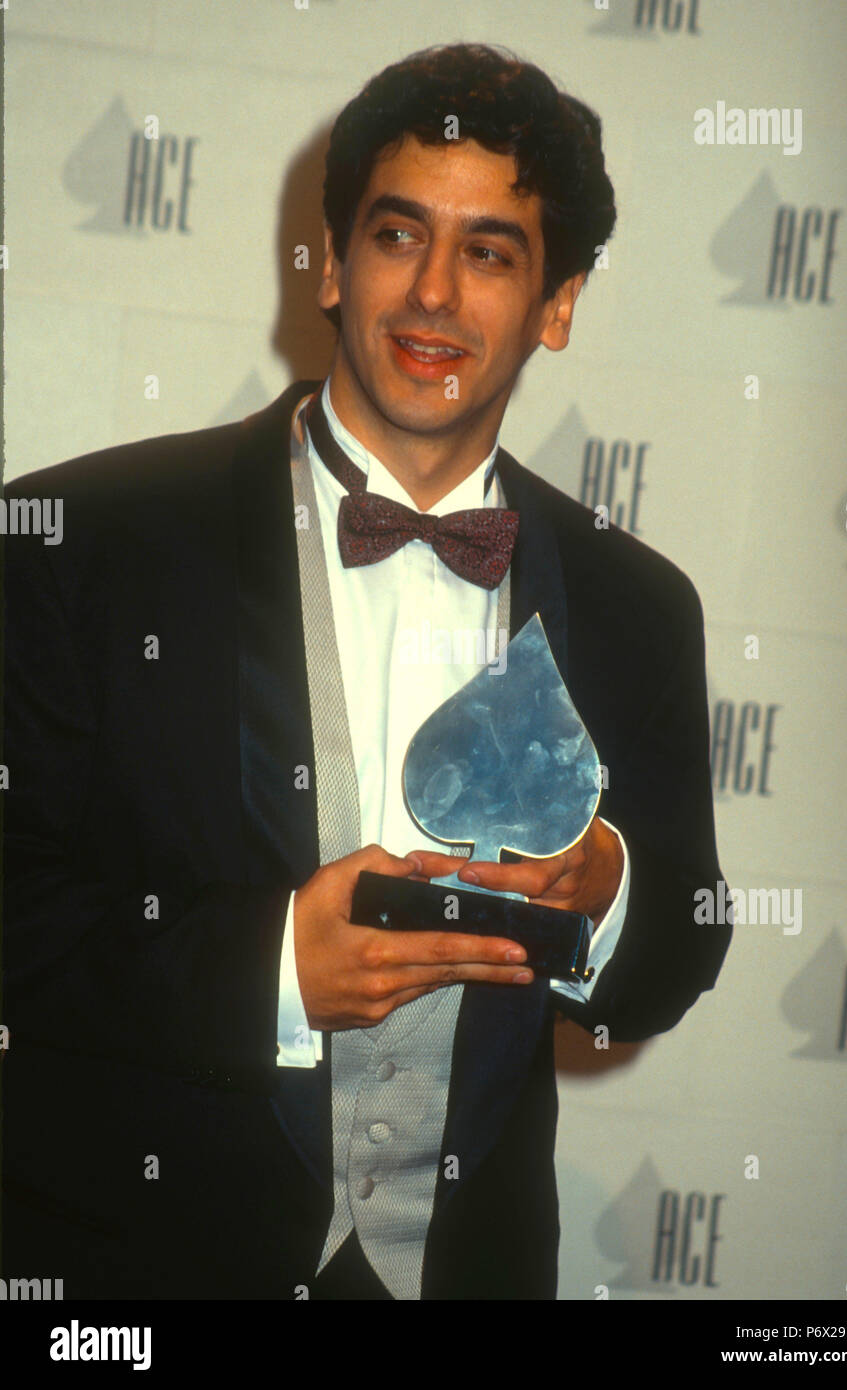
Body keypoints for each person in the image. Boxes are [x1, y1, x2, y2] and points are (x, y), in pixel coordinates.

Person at [1, 43, 731, 1301]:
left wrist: (605, 887)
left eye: (492, 252)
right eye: (400, 235)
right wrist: (273, 965)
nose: (435, 294)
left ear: (557, 302)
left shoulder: (639, 606)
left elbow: (681, 949)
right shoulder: (79, 541)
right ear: (334, 263)